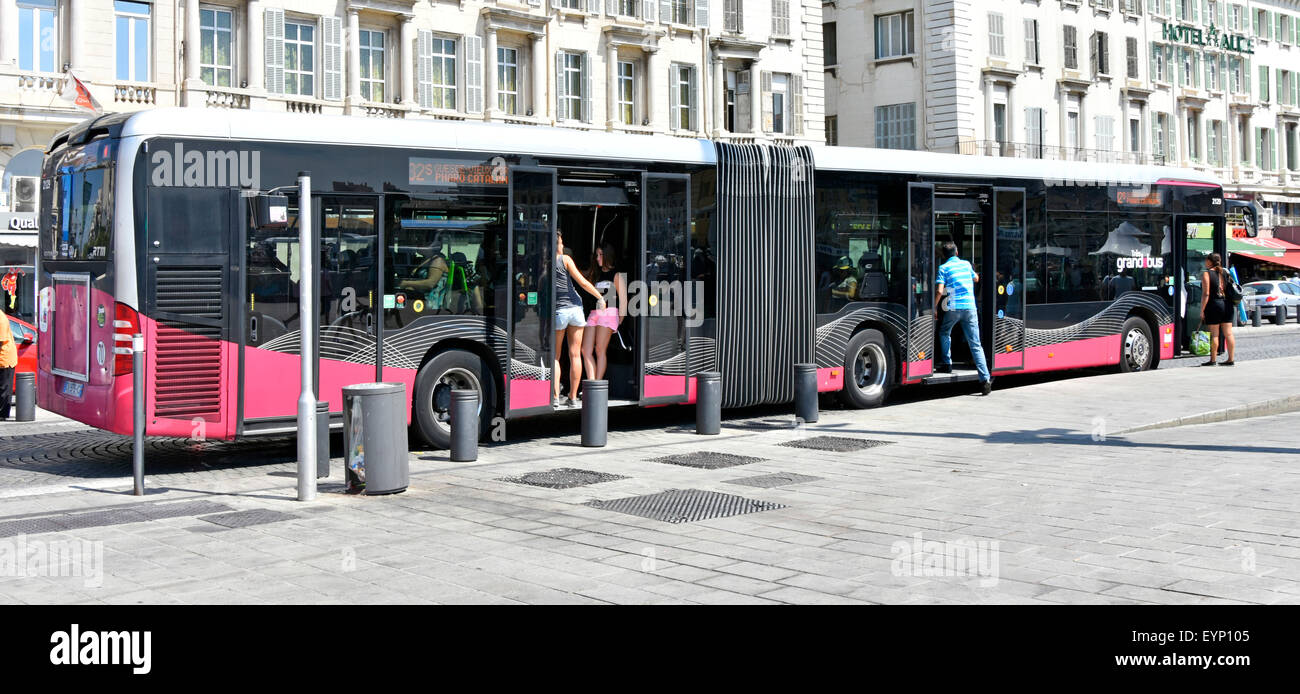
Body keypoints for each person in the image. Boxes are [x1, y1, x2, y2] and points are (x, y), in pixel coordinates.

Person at [554, 230, 605, 407]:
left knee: (556, 357)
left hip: (559, 311)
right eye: (561, 243)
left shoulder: (544, 264)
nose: (562, 246)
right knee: (575, 355)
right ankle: (573, 397)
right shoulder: (566, 260)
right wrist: (599, 297)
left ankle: (554, 398)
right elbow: (582, 282)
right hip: (576, 309)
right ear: (557, 244)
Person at [934, 242, 992, 395]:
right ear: (957, 252)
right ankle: (985, 380)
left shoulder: (943, 268)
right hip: (970, 307)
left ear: (943, 255)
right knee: (975, 344)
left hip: (953, 307)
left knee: (944, 332)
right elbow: (977, 279)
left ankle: (947, 363)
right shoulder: (966, 265)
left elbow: (940, 290)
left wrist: (934, 306)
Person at [581, 242, 627, 383]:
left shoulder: (616, 275)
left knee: (600, 350)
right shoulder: (596, 274)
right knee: (585, 350)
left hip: (609, 313)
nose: (598, 258)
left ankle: (597, 385)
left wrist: (618, 322)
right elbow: (581, 277)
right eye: (597, 255)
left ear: (607, 256)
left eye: (600, 255)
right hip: (594, 313)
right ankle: (592, 383)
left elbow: (624, 300)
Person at [1199, 252, 1236, 366]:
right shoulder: (1225, 272)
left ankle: (1213, 360)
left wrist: (1202, 310)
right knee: (1228, 334)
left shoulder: (1207, 274)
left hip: (1214, 305)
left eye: (1206, 260)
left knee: (1214, 334)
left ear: (1210, 261)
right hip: (1228, 305)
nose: (1205, 262)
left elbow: (1206, 294)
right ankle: (1230, 359)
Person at [0, 307, 15, 420]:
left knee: (3, 388)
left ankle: (2, 414)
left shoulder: (1, 318)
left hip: (4, 358)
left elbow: (0, 341)